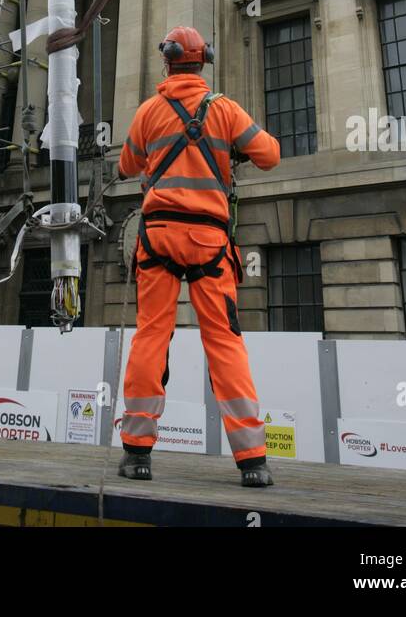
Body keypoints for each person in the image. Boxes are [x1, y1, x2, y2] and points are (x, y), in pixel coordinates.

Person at [116, 26, 280, 487]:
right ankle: (253, 461)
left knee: (152, 336)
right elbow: (270, 154)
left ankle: (137, 454)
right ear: (203, 62)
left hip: (159, 238)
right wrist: (230, 150)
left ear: (166, 63)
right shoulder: (224, 109)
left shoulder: (149, 112)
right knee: (224, 343)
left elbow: (127, 166)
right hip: (210, 241)